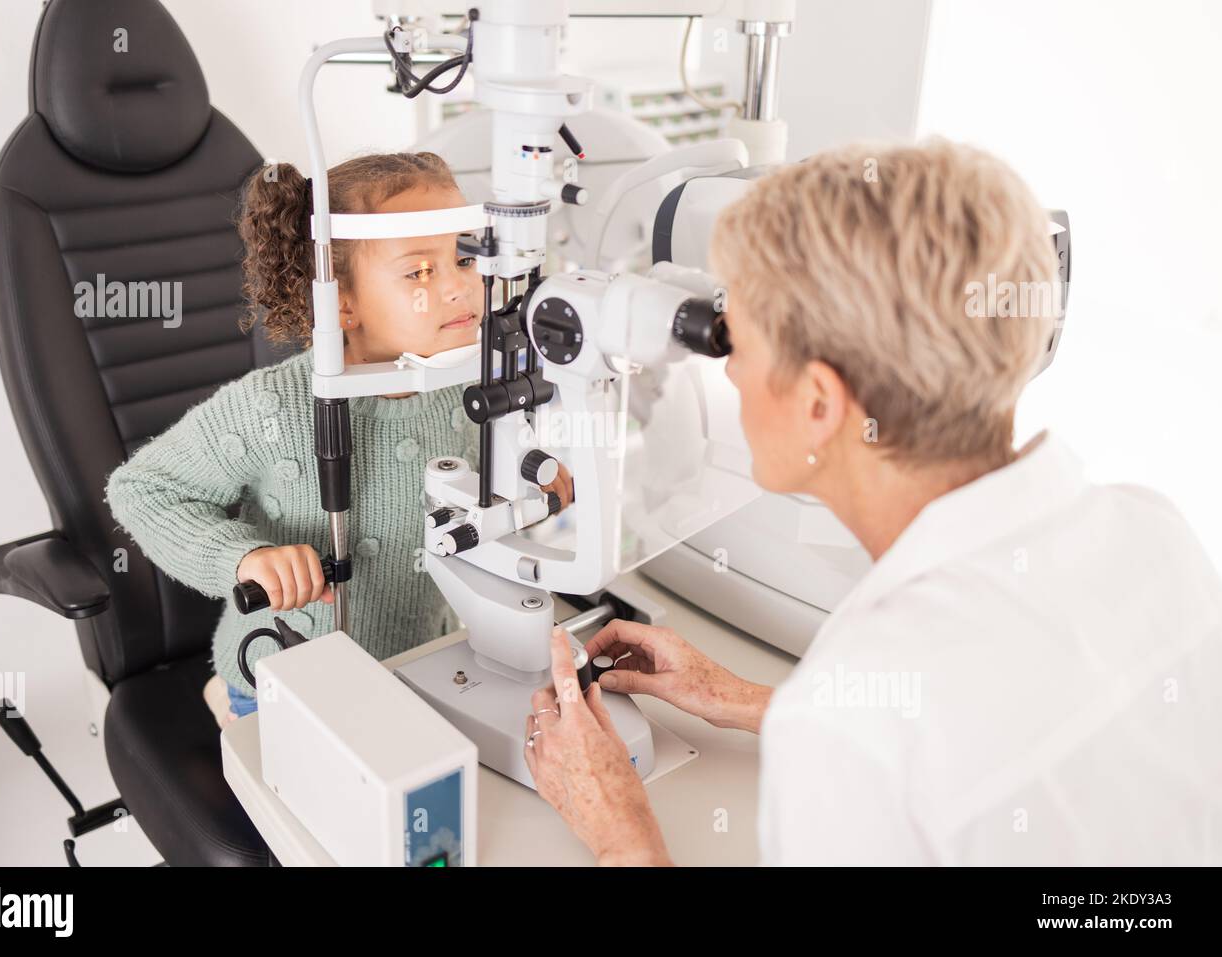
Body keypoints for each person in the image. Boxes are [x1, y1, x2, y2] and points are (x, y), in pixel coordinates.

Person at [522, 138, 1222, 865]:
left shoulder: (853, 737)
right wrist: (766, 705)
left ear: (820, 402)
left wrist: (620, 830)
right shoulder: (1152, 529)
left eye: (739, 337)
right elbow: (1012, 732)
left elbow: (904, 745)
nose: (727, 370)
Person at [105, 151, 571, 724]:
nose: (458, 289)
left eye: (465, 258)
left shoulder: (470, 379)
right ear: (342, 303)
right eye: (420, 271)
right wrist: (244, 557)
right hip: (287, 679)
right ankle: (226, 704)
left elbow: (509, 467)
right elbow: (141, 489)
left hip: (426, 660)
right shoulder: (270, 406)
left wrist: (544, 474)